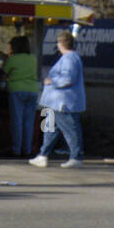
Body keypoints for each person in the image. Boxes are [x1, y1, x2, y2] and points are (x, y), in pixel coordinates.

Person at [29, 30, 86, 169]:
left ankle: (76, 157)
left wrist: (51, 81)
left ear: (61, 44)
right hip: (54, 102)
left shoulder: (69, 58)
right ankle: (43, 155)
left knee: (70, 129)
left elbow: (68, 79)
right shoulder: (71, 58)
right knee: (49, 129)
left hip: (62, 103)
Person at [2, 34, 39, 157]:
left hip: (16, 90)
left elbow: (5, 71)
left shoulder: (13, 59)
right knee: (29, 122)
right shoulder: (33, 58)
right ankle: (27, 149)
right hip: (32, 91)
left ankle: (16, 149)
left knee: (17, 121)